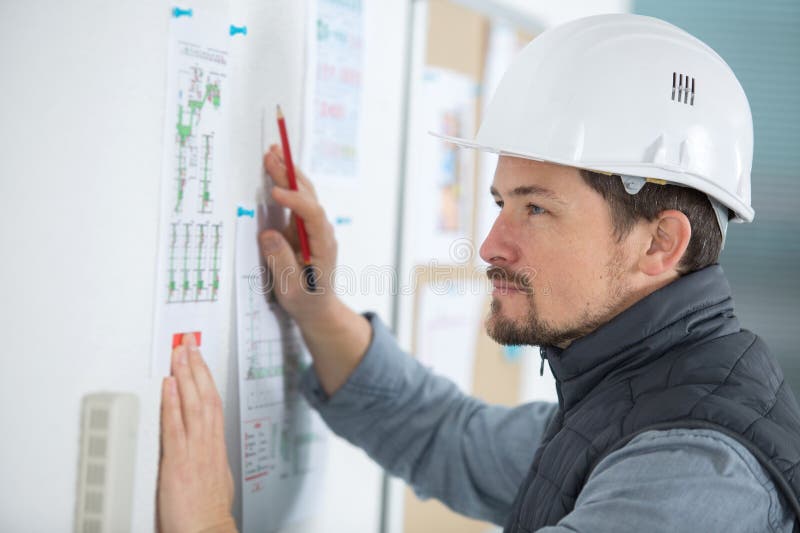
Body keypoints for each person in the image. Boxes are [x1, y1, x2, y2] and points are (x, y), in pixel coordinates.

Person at [157, 13, 800, 533]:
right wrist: (319, 310)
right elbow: (448, 436)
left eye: (536, 209)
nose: (491, 246)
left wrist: (208, 524)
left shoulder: (693, 473)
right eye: (500, 204)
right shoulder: (633, 396)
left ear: (659, 243)